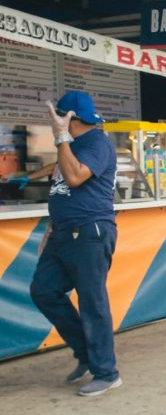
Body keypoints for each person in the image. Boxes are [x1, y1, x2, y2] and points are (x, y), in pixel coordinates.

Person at [29, 91, 121, 397]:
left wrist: (60, 137)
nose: (53, 120)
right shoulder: (72, 145)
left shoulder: (97, 142)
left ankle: (106, 373)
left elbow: (75, 177)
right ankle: (86, 353)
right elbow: (61, 186)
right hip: (62, 233)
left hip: (90, 232)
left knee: (92, 301)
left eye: (59, 115)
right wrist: (51, 227)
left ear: (70, 118)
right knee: (43, 291)